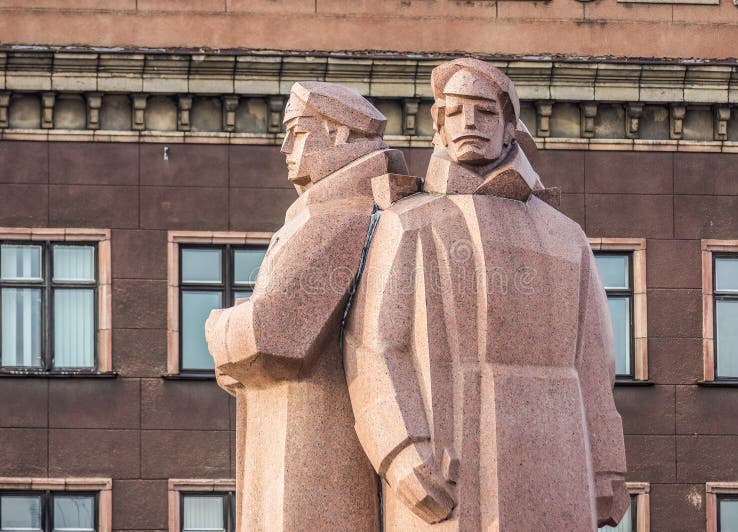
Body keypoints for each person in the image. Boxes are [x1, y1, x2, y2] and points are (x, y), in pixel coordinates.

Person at [343, 58, 629, 530]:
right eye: (454, 112)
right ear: (438, 125)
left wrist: (606, 462)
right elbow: (376, 348)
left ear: (510, 126)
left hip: (556, 456)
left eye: (485, 112)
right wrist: (401, 450)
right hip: (449, 461)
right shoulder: (410, 221)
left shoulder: (565, 235)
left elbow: (594, 359)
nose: (469, 123)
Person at [205, 81, 407, 531]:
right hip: (291, 429)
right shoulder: (320, 214)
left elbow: (273, 334)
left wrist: (218, 328)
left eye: (297, 131)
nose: (283, 146)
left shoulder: (341, 216)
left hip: (311, 439)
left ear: (339, 135)